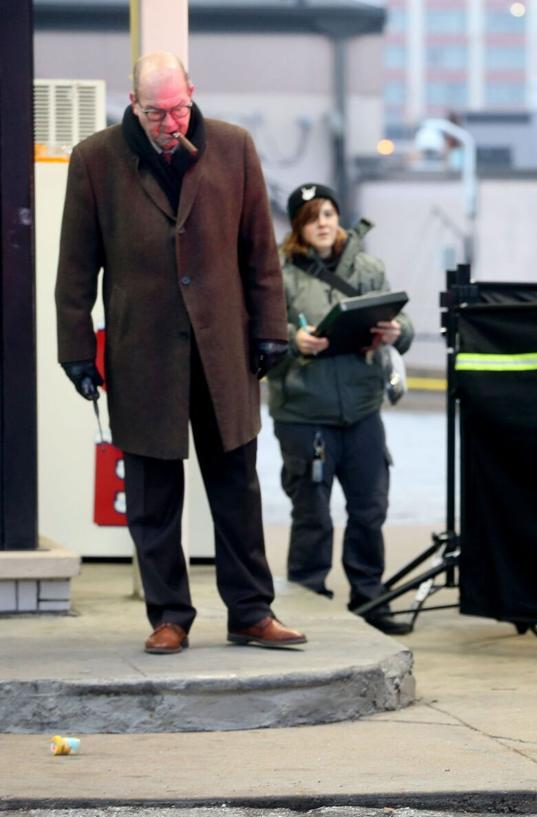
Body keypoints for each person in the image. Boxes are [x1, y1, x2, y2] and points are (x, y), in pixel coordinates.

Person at [55, 52, 305, 654]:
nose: (171, 122)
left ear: (192, 92)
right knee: (152, 498)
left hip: (224, 351)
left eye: (178, 107)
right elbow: (75, 265)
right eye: (156, 112)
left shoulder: (233, 147)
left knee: (237, 491)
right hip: (142, 353)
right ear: (134, 104)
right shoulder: (96, 159)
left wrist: (270, 329)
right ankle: (169, 615)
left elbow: (260, 253)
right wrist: (75, 350)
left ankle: (250, 611)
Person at [267, 183, 415, 636]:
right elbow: (258, 333)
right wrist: (294, 341)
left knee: (370, 509)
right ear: (298, 227)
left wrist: (396, 331)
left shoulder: (368, 268)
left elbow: (402, 324)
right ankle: (309, 599)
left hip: (362, 407)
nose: (324, 223)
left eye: (329, 213)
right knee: (311, 513)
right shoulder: (277, 272)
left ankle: (370, 599)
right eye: (312, 217)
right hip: (303, 411)